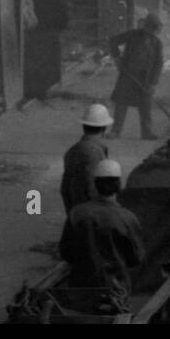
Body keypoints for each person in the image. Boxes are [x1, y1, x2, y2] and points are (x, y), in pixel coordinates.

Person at [62, 159, 145, 311]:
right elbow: (136, 259)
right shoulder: (127, 218)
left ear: (95, 184)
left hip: (80, 291)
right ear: (119, 186)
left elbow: (66, 253)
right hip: (117, 292)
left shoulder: (77, 213)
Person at [59, 104, 112, 253]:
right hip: (92, 220)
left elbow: (64, 189)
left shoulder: (72, 151)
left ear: (84, 126)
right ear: (104, 128)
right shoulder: (94, 153)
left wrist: (72, 215)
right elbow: (92, 188)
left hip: (77, 215)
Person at [108, 12, 164, 140]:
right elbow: (113, 41)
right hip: (128, 75)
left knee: (146, 106)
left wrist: (153, 83)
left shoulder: (157, 43)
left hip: (145, 79)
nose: (153, 31)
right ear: (146, 26)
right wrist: (117, 57)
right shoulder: (133, 35)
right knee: (121, 103)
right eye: (151, 27)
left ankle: (147, 133)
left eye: (156, 29)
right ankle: (116, 131)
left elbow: (158, 64)